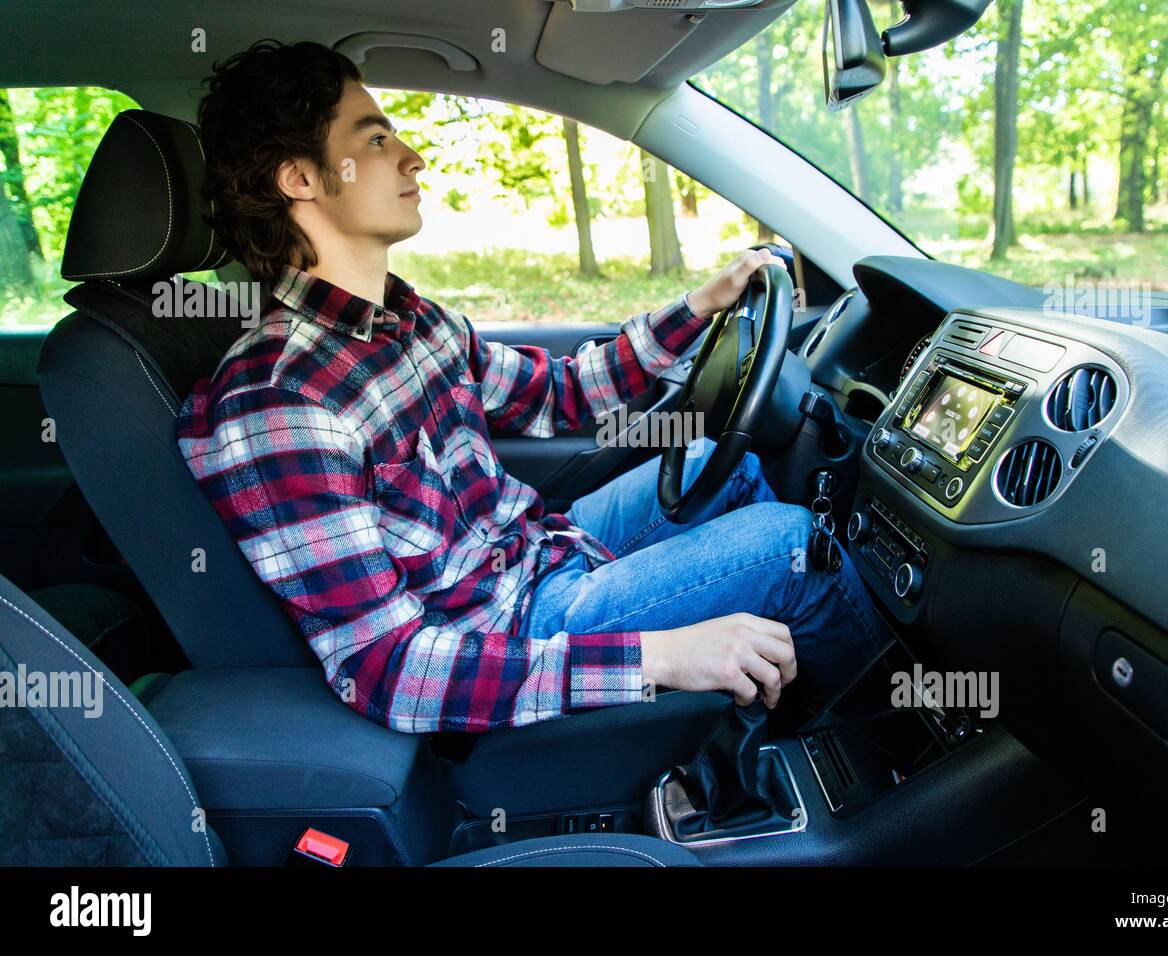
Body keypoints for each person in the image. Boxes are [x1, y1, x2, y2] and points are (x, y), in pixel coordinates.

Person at [177, 39, 891, 734]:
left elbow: (563, 394)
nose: (411, 156)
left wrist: (701, 305)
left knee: (716, 466)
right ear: (299, 179)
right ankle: (891, 749)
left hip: (537, 552)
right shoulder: (278, 402)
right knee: (791, 547)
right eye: (373, 140)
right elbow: (388, 669)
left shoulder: (413, 322)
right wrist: (663, 656)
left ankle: (770, 706)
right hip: (509, 633)